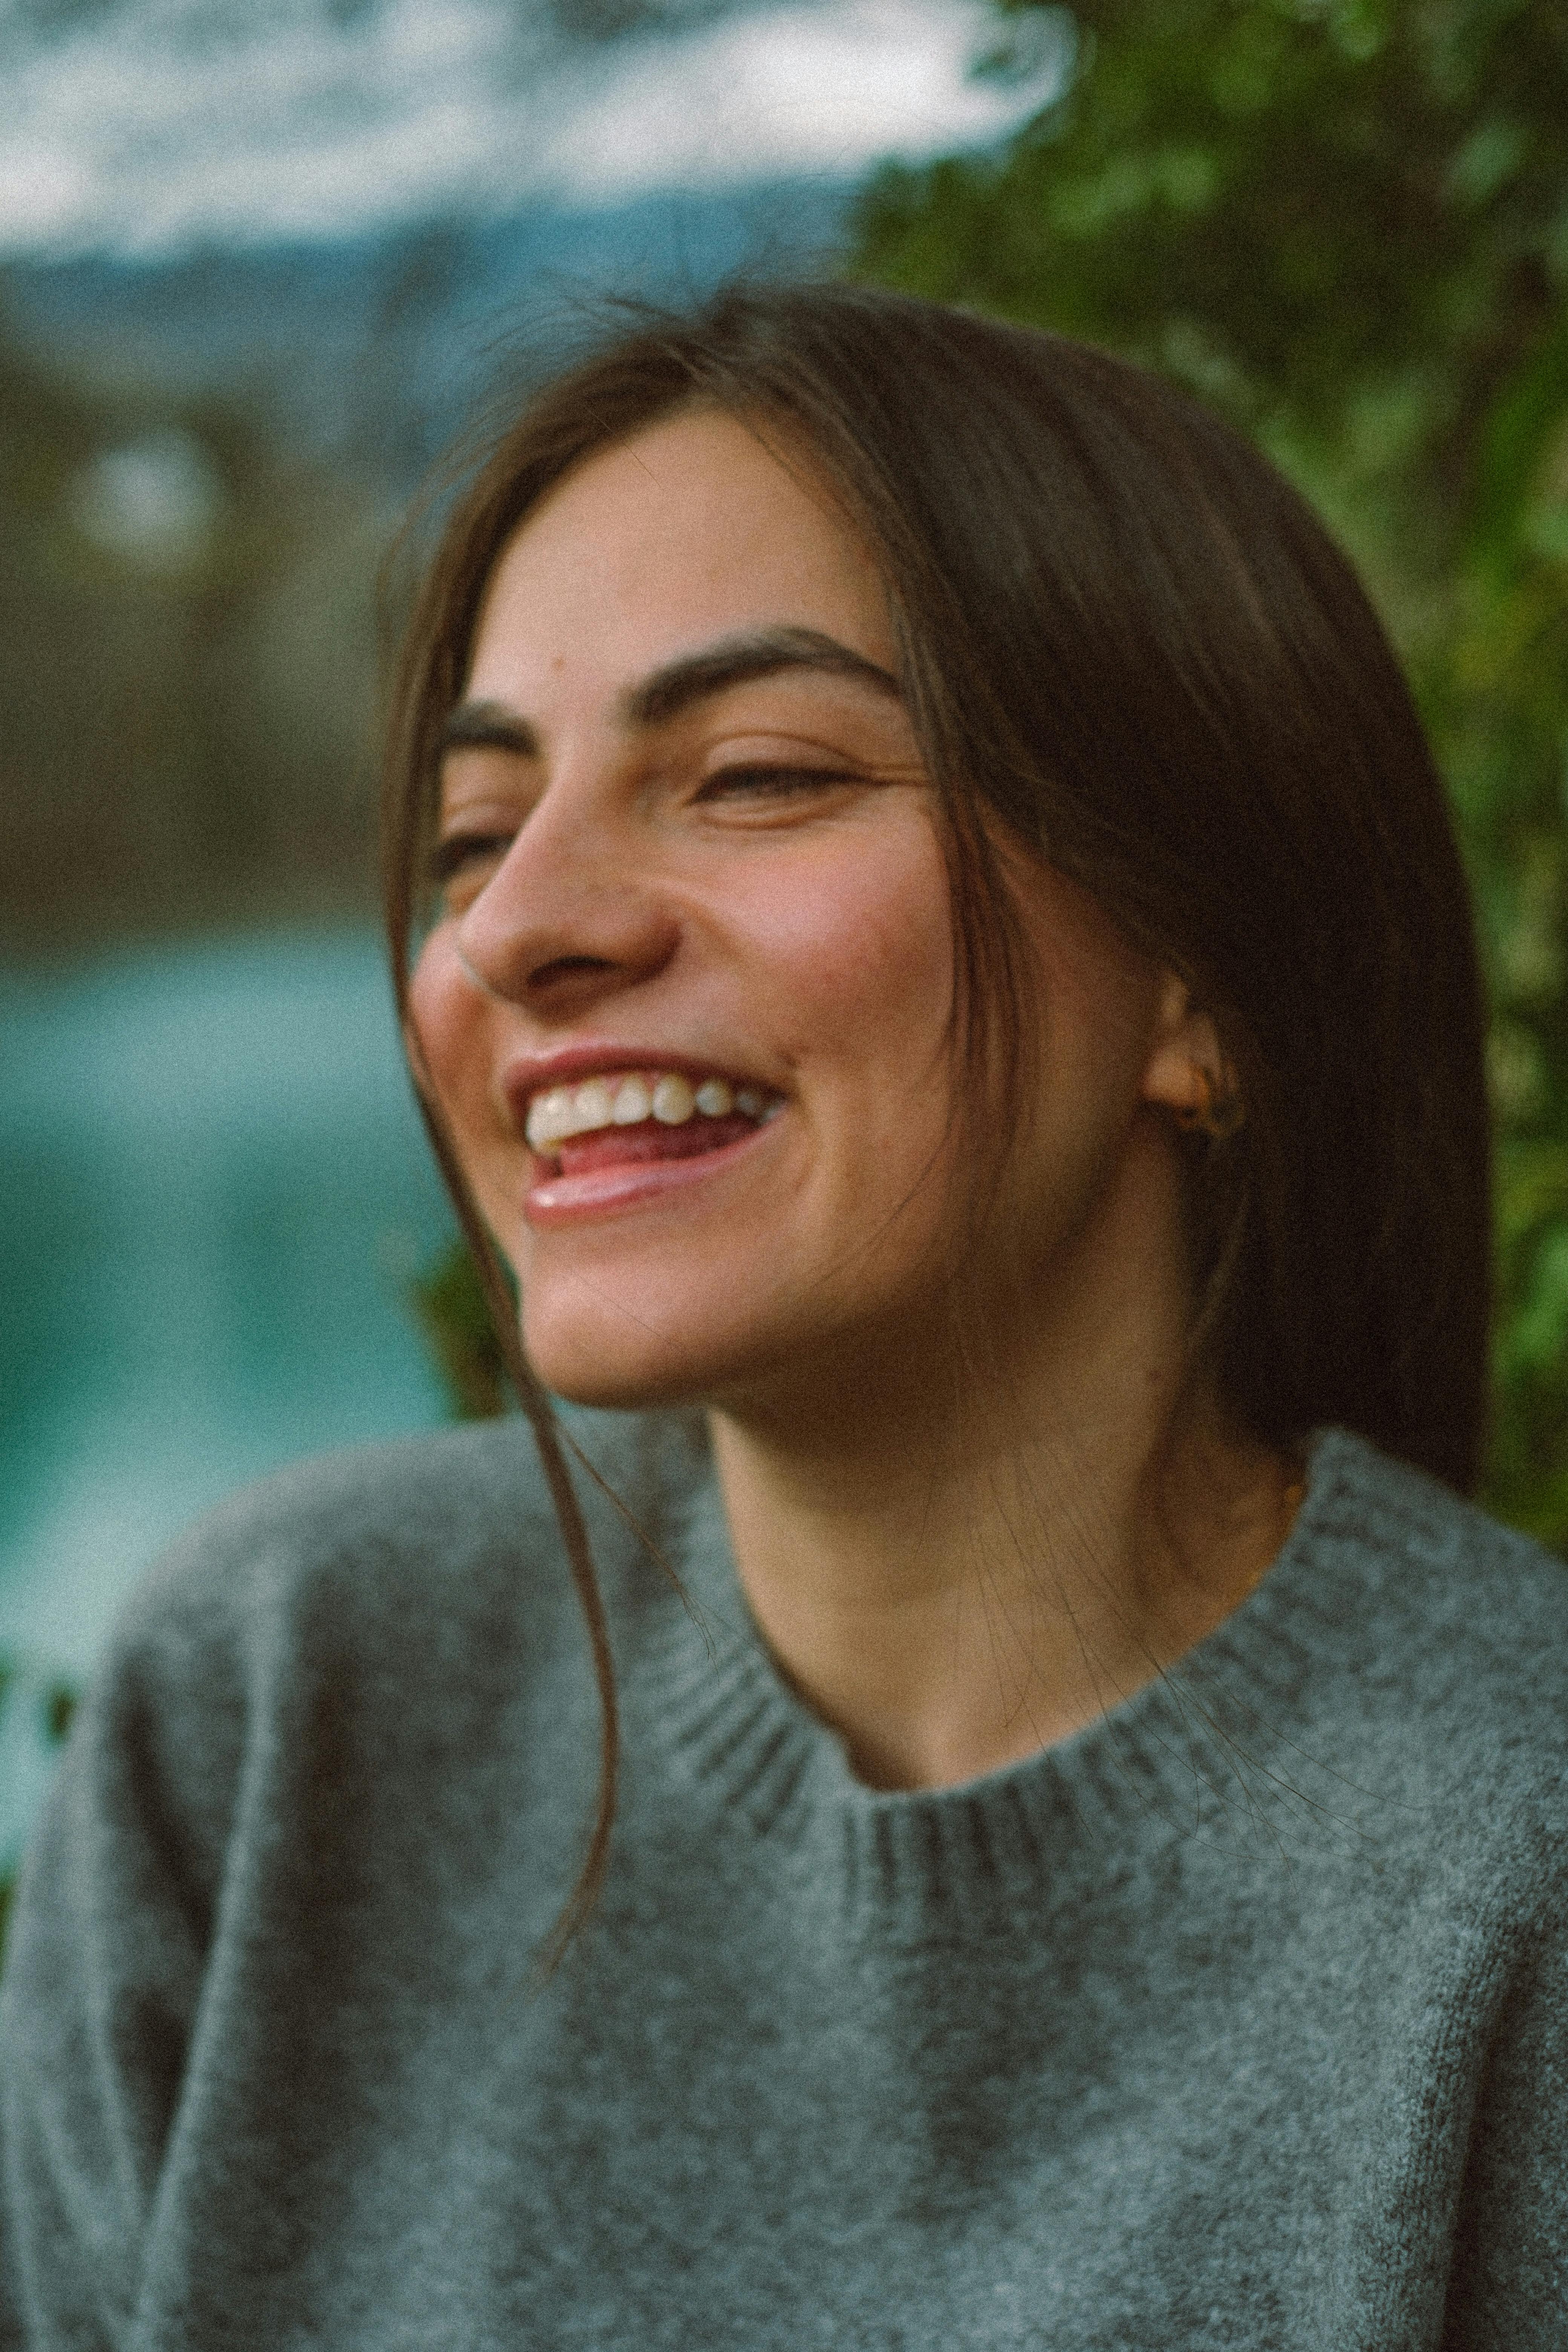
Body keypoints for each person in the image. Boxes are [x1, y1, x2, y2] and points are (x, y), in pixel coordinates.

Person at [2, 281, 1563, 2349]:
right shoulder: (281, 1720)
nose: (524, 931)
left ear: (1202, 986)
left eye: (749, 775)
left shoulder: (1510, 1882)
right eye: (477, 832)